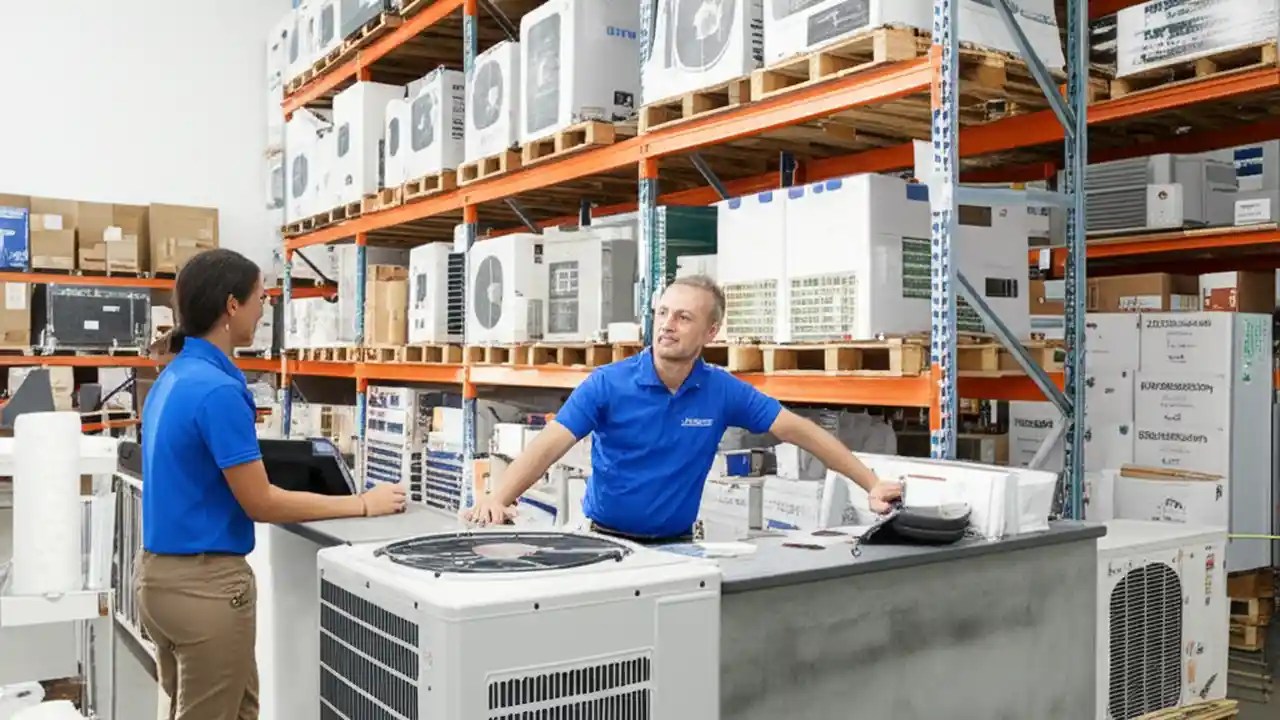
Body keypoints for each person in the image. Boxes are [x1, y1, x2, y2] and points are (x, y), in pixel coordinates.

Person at [134, 248, 406, 720]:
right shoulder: (218, 390)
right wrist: (363, 505)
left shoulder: (174, 377)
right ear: (232, 305)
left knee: (240, 710)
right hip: (205, 589)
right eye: (261, 298)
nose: (265, 310)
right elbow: (259, 501)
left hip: (160, 581)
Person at [463, 274, 902, 541]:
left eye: (683, 318)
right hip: (608, 541)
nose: (667, 326)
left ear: (711, 332)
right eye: (663, 313)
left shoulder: (722, 391)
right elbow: (548, 446)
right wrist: (498, 499)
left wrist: (870, 483)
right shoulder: (608, 385)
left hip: (678, 544)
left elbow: (801, 431)